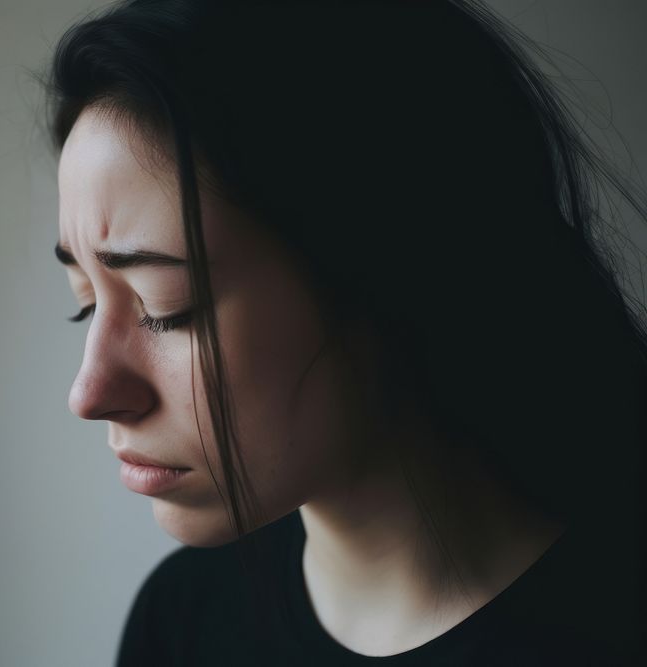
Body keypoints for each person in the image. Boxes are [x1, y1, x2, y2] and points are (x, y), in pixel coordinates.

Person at [43, 0, 647, 663]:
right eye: (85, 302)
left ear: (383, 269)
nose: (89, 392)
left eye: (168, 305)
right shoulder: (182, 618)